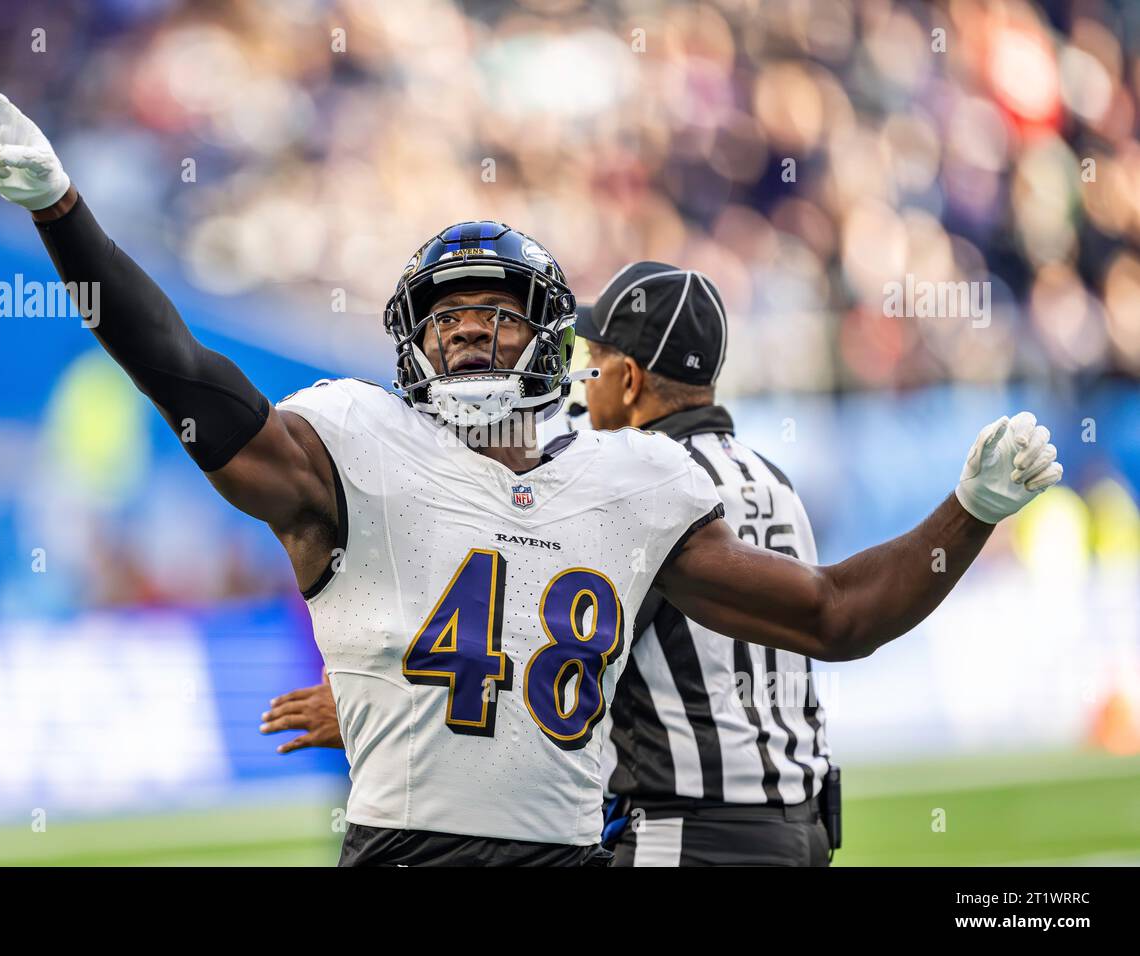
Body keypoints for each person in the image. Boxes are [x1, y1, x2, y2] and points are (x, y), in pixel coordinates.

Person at [0, 78, 1064, 866]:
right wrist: (62, 213)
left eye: (499, 313)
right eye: (449, 318)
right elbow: (184, 372)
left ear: (552, 340)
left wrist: (966, 513)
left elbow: (833, 615)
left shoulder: (629, 481)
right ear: (410, 342)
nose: (474, 333)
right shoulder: (352, 443)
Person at [264, 262, 835, 866]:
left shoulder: (646, 488)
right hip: (800, 815)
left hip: (680, 825)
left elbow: (550, 637)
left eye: (597, 358)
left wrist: (409, 700)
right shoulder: (771, 480)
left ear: (631, 379)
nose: (585, 380)